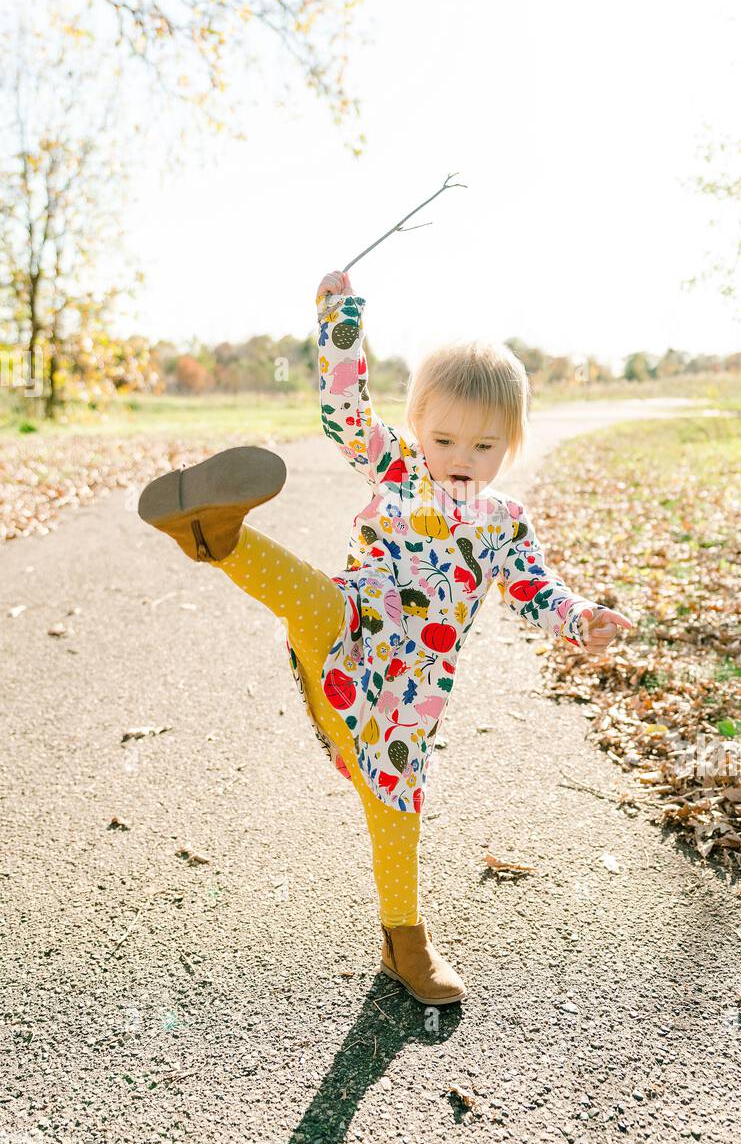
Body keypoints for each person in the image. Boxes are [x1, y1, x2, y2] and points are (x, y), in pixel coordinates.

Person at [137, 269, 633, 1006]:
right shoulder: (399, 469)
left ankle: (405, 943)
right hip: (354, 633)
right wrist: (341, 319)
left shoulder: (503, 522)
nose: (460, 457)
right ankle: (219, 533)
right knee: (313, 603)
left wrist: (581, 618)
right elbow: (344, 414)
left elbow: (536, 589)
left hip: (410, 696)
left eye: (484, 445)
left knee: (395, 809)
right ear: (417, 428)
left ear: (512, 445)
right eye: (443, 438)